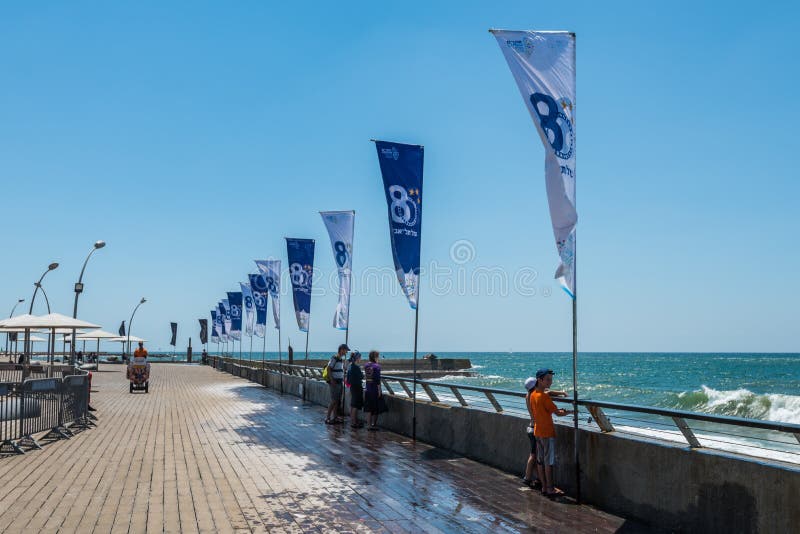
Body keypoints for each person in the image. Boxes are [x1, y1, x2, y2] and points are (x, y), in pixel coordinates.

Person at [530, 368, 573, 497]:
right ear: (540, 380)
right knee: (549, 462)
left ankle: (544, 487)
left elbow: (547, 392)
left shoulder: (533, 395)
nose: (550, 382)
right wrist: (570, 412)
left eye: (551, 379)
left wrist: (561, 393)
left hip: (537, 431)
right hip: (547, 433)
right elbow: (559, 414)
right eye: (548, 379)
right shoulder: (544, 397)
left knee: (540, 461)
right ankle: (550, 488)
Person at [522, 376, 568, 489]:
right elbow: (548, 394)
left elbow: (547, 392)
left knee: (538, 457)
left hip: (532, 427)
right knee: (536, 456)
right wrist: (562, 393)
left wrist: (560, 392)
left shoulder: (529, 396)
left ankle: (539, 481)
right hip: (538, 429)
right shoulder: (538, 395)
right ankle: (528, 479)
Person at [324, 343, 348, 424]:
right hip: (334, 382)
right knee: (334, 400)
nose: (346, 352)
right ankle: (327, 418)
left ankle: (335, 417)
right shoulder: (335, 358)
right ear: (341, 350)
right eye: (345, 350)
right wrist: (332, 380)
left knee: (337, 400)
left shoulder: (341, 359)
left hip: (339, 382)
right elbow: (329, 368)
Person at [363, 350, 382, 431]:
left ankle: (368, 425)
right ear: (375, 357)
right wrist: (379, 390)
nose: (379, 358)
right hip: (374, 389)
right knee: (375, 408)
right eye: (378, 356)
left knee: (368, 408)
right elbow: (377, 380)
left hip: (368, 388)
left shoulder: (366, 365)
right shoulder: (377, 366)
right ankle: (373, 424)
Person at [346, 351, 364, 428]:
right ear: (357, 358)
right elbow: (361, 376)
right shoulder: (355, 367)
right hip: (356, 387)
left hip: (353, 387)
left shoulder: (350, 366)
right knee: (355, 405)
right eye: (360, 357)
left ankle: (353, 421)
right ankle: (354, 423)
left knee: (353, 404)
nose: (360, 359)